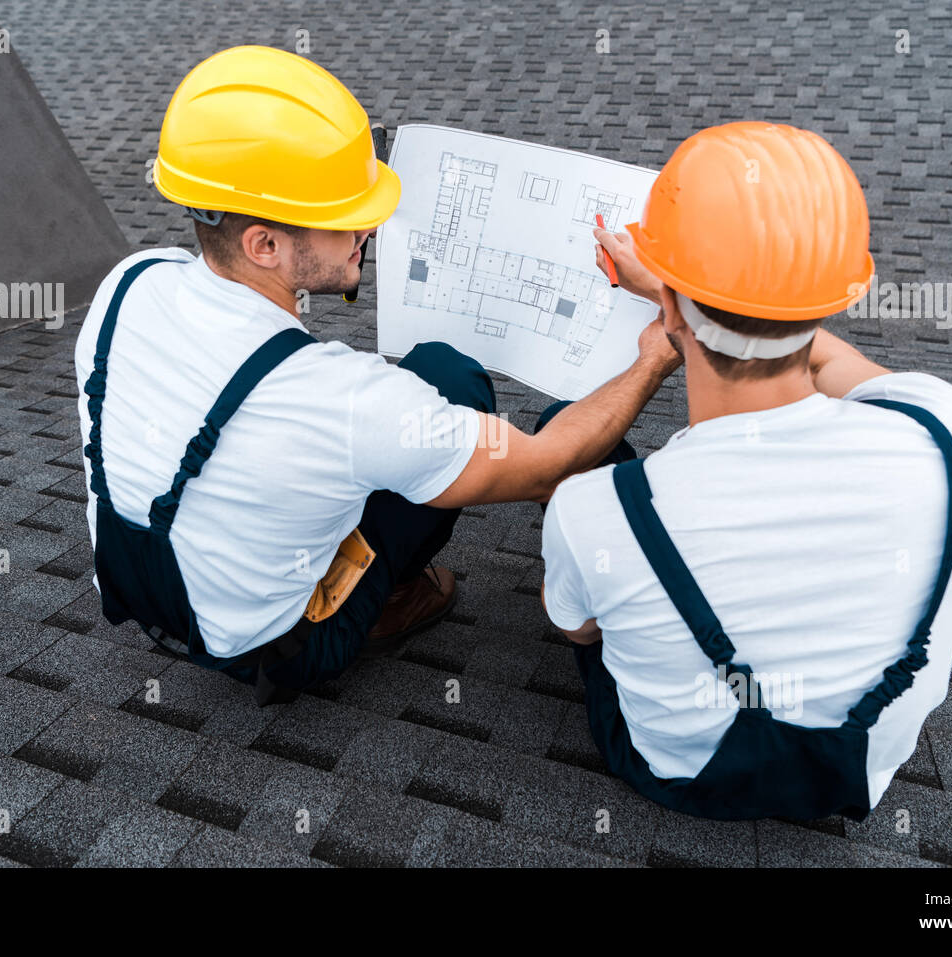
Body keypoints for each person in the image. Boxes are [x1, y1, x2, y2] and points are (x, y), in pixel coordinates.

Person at [74, 46, 681, 705]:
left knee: (423, 390)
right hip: (278, 640)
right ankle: (380, 602)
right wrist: (656, 351)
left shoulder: (128, 283)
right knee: (453, 382)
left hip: (146, 593)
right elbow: (540, 464)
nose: (370, 225)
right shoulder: (342, 397)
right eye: (344, 218)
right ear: (264, 244)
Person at [539, 121, 952, 820]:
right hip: (860, 768)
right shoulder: (949, 428)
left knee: (570, 448)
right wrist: (694, 290)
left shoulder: (595, 509)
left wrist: (674, 296)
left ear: (668, 310)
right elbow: (827, 358)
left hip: (678, 772)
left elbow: (580, 632)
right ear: (831, 298)